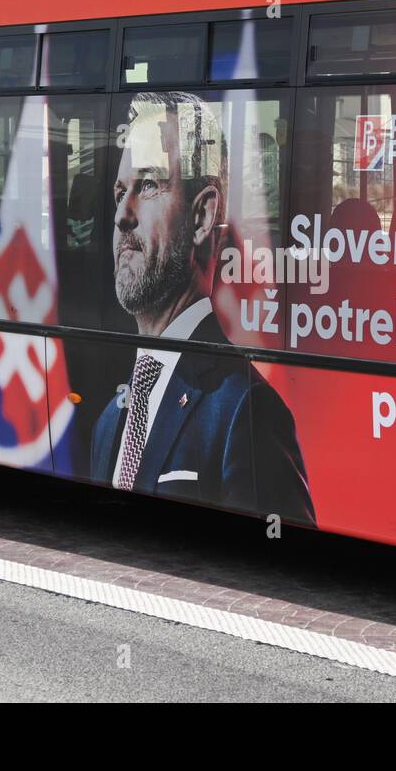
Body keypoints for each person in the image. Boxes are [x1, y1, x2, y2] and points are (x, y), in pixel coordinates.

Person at [90, 90, 315, 525]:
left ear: (201, 217)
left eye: (149, 185)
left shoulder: (244, 412)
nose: (122, 214)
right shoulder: (108, 421)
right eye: (120, 191)